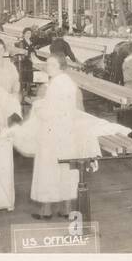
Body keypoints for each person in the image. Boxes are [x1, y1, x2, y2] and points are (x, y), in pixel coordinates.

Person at [25, 54, 86, 219]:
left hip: (52, 133)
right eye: (47, 64)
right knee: (65, 169)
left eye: (51, 65)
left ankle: (45, 211)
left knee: (47, 169)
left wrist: (36, 105)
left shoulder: (51, 86)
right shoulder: (71, 84)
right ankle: (66, 209)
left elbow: (46, 112)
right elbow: (77, 109)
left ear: (61, 67)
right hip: (67, 133)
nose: (48, 67)